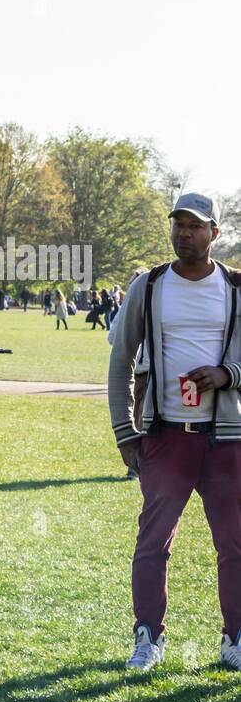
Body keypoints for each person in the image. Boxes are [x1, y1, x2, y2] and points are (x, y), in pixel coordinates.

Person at [109, 192, 241, 672]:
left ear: (215, 234)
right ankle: (148, 639)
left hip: (226, 437)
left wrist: (229, 374)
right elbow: (121, 358)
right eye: (178, 224)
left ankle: (235, 640)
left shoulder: (235, 287)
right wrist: (126, 431)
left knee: (234, 542)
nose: (185, 233)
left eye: (195, 225)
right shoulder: (149, 285)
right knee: (153, 542)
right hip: (165, 435)